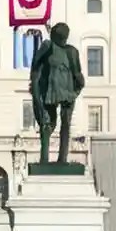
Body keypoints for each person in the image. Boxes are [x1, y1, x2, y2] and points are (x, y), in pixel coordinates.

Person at [28, 22, 85, 165]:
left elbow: (77, 73)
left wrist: (77, 88)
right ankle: (45, 159)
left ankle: (61, 159)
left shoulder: (71, 51)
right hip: (51, 91)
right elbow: (36, 70)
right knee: (49, 125)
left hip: (65, 92)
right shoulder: (48, 47)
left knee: (64, 124)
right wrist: (36, 93)